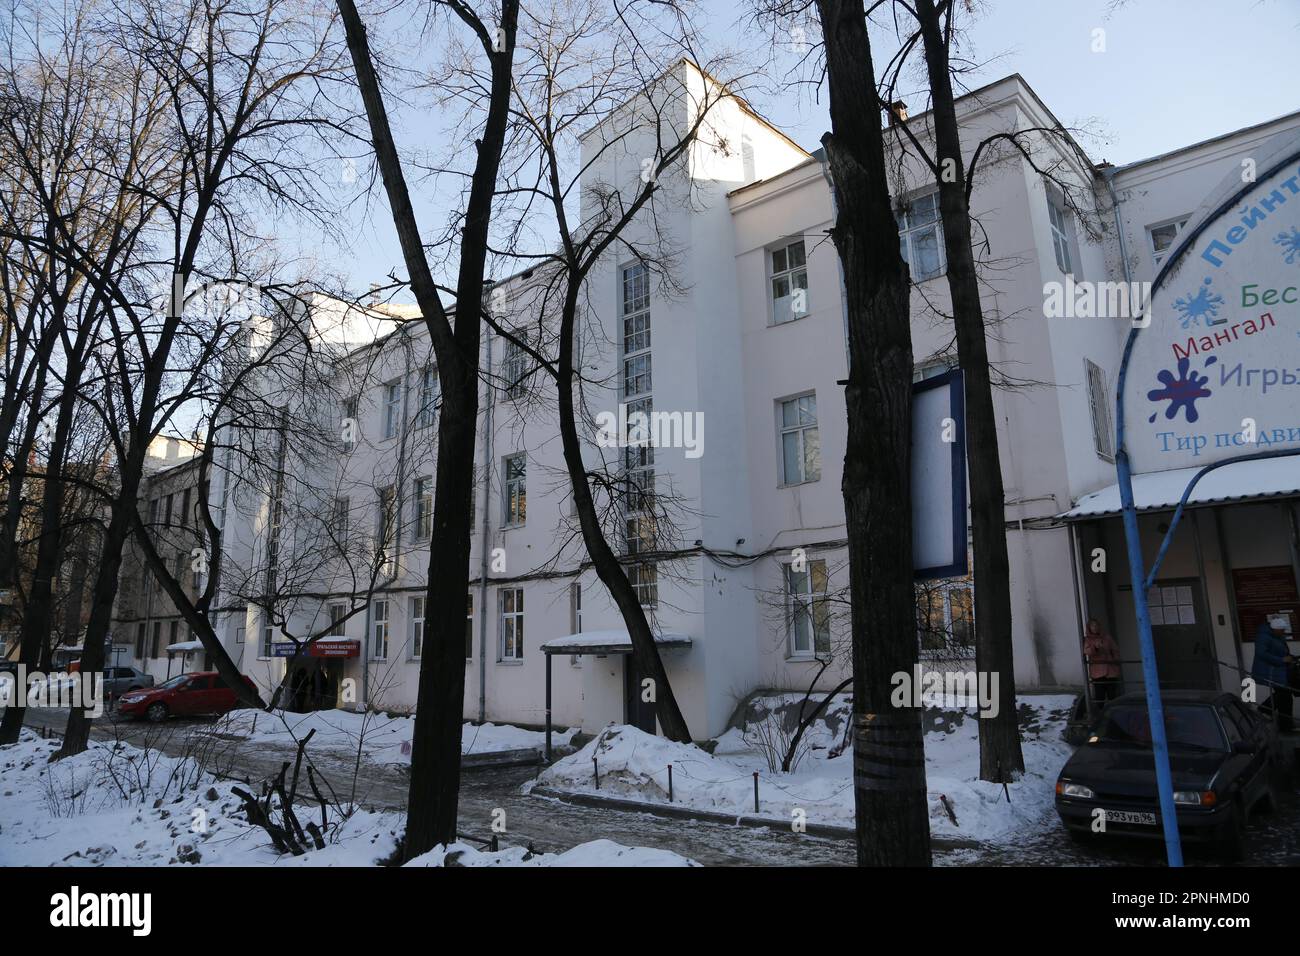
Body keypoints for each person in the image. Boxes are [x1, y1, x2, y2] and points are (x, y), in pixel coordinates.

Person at [1253, 616, 1295, 733]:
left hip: (1279, 670)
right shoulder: (1263, 637)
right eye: (1282, 630)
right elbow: (1261, 654)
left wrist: (1290, 657)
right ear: (1275, 629)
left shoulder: (1276, 636)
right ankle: (1282, 723)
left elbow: (1281, 651)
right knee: (1284, 695)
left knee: (1284, 695)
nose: (1283, 632)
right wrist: (1281, 660)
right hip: (1270, 671)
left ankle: (1281, 721)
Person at [1083, 618, 1122, 704]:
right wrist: (1095, 647)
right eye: (1092, 626)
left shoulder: (1107, 637)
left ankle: (1113, 713)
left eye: (1096, 625)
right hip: (1097, 673)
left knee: (1113, 696)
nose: (1095, 627)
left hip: (1111, 670)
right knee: (1100, 696)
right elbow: (1087, 651)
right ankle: (1100, 713)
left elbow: (1115, 649)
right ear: (1089, 628)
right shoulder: (1088, 640)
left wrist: (1115, 659)